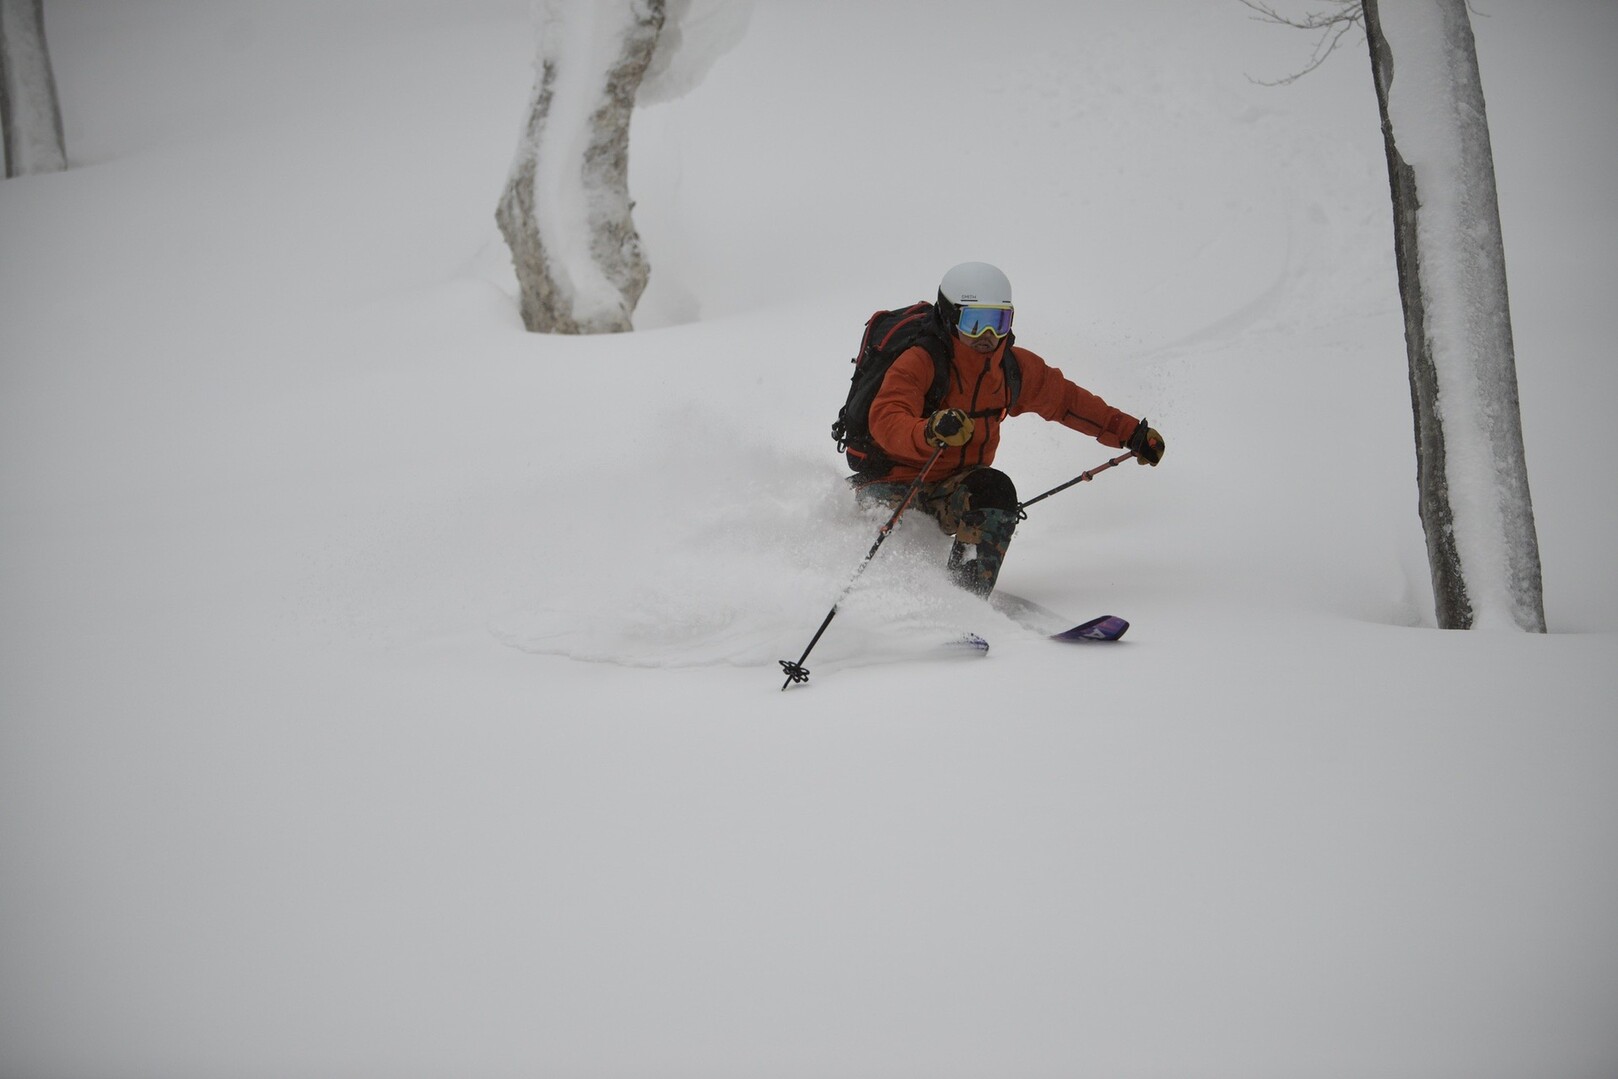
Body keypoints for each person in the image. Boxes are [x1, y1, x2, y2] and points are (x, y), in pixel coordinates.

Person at [853, 261, 1164, 596]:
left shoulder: (1011, 368)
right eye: (976, 323)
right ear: (950, 317)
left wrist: (1130, 432)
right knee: (894, 563)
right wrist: (929, 431)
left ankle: (963, 603)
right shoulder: (922, 361)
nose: (988, 337)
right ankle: (887, 605)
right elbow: (886, 419)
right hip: (893, 486)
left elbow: (1068, 402)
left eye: (998, 322)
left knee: (994, 489)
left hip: (951, 490)